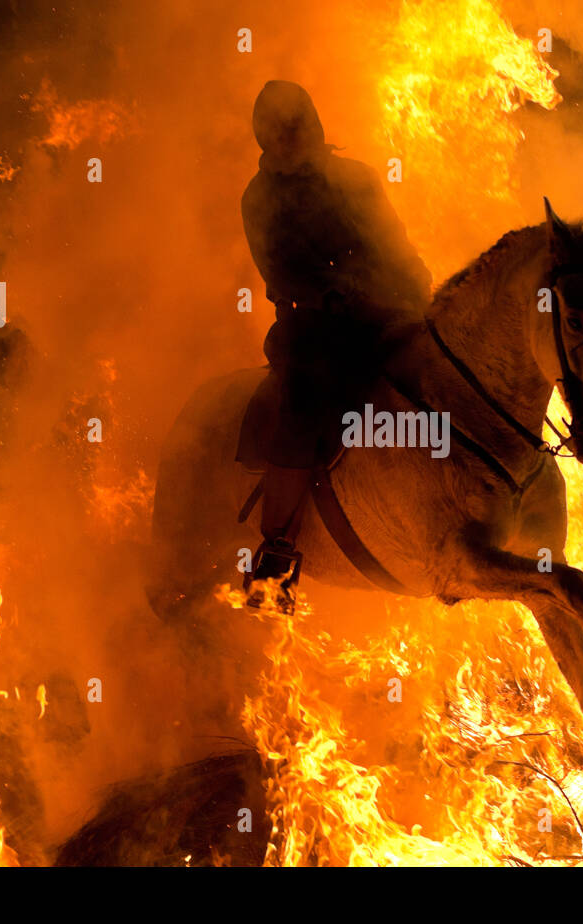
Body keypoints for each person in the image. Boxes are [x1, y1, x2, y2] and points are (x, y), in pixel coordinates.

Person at [239, 80, 431, 609]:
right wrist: (332, 294)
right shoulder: (260, 199)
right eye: (283, 131)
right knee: (303, 401)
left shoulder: (354, 177)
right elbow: (278, 276)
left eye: (299, 126)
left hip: (388, 311)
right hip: (317, 330)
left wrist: (415, 279)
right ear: (267, 138)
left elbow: (394, 238)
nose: (294, 138)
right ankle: (276, 554)